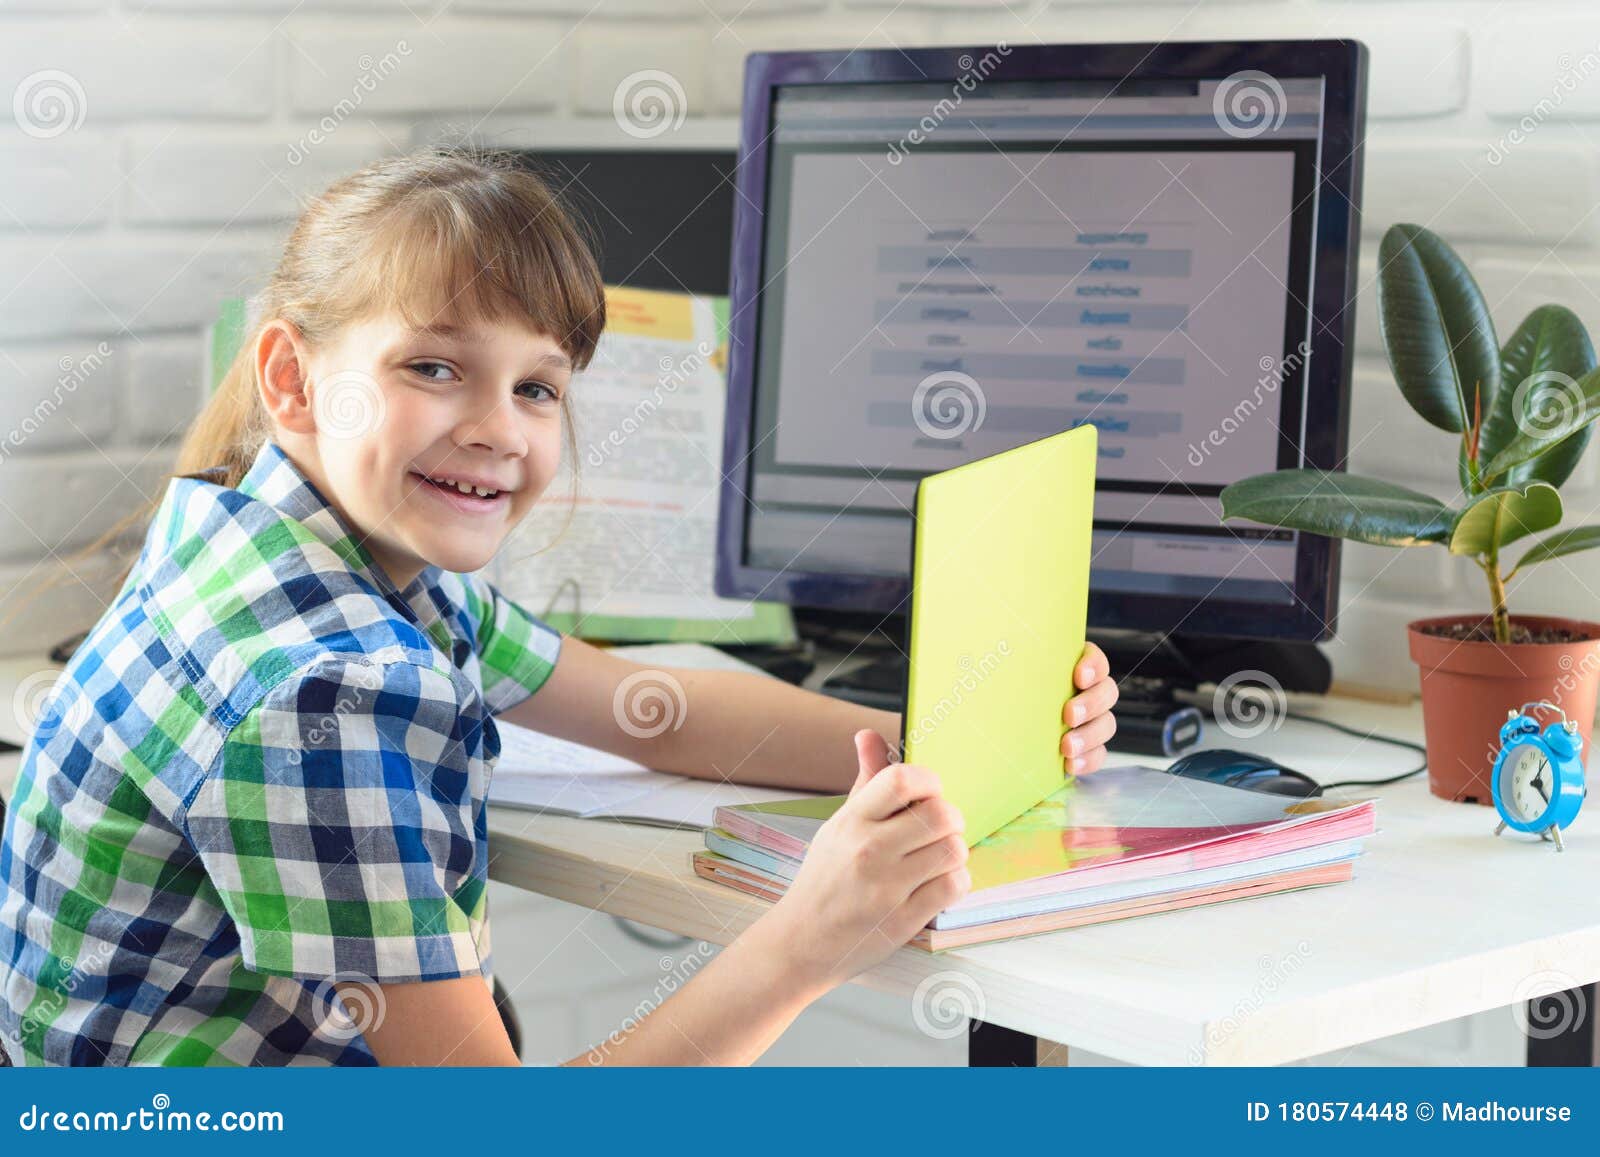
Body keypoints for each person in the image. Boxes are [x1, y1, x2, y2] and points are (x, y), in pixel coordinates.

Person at [0, 149, 1119, 1067]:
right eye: (435, 367)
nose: (500, 426)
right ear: (292, 380)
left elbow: (661, 711)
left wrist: (956, 741)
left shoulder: (290, 546)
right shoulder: (321, 694)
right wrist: (810, 940)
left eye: (537, 386)